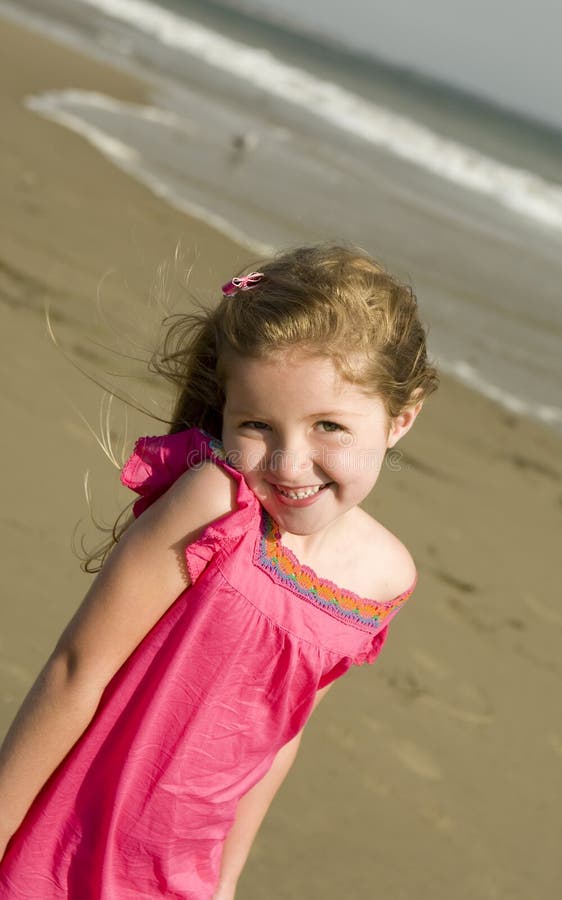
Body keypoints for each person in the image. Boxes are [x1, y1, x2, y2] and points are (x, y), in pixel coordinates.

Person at [0, 242, 439, 898]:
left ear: (400, 420)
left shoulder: (381, 580)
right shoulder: (213, 504)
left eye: (330, 427)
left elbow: (279, 741)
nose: (290, 465)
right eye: (259, 424)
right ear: (225, 411)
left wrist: (224, 883)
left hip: (179, 874)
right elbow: (77, 669)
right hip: (67, 842)